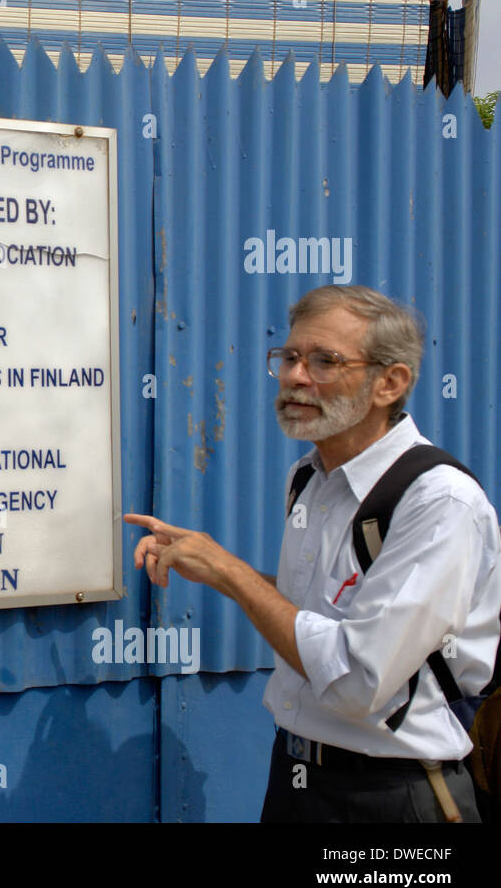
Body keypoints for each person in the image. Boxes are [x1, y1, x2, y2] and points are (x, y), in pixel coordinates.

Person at [125, 285, 500, 822]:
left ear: (390, 383)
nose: (297, 377)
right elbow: (316, 615)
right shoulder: (309, 478)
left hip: (394, 796)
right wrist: (207, 566)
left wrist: (230, 573)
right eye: (291, 357)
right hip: (297, 781)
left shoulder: (440, 501)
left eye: (326, 361)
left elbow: (357, 681)